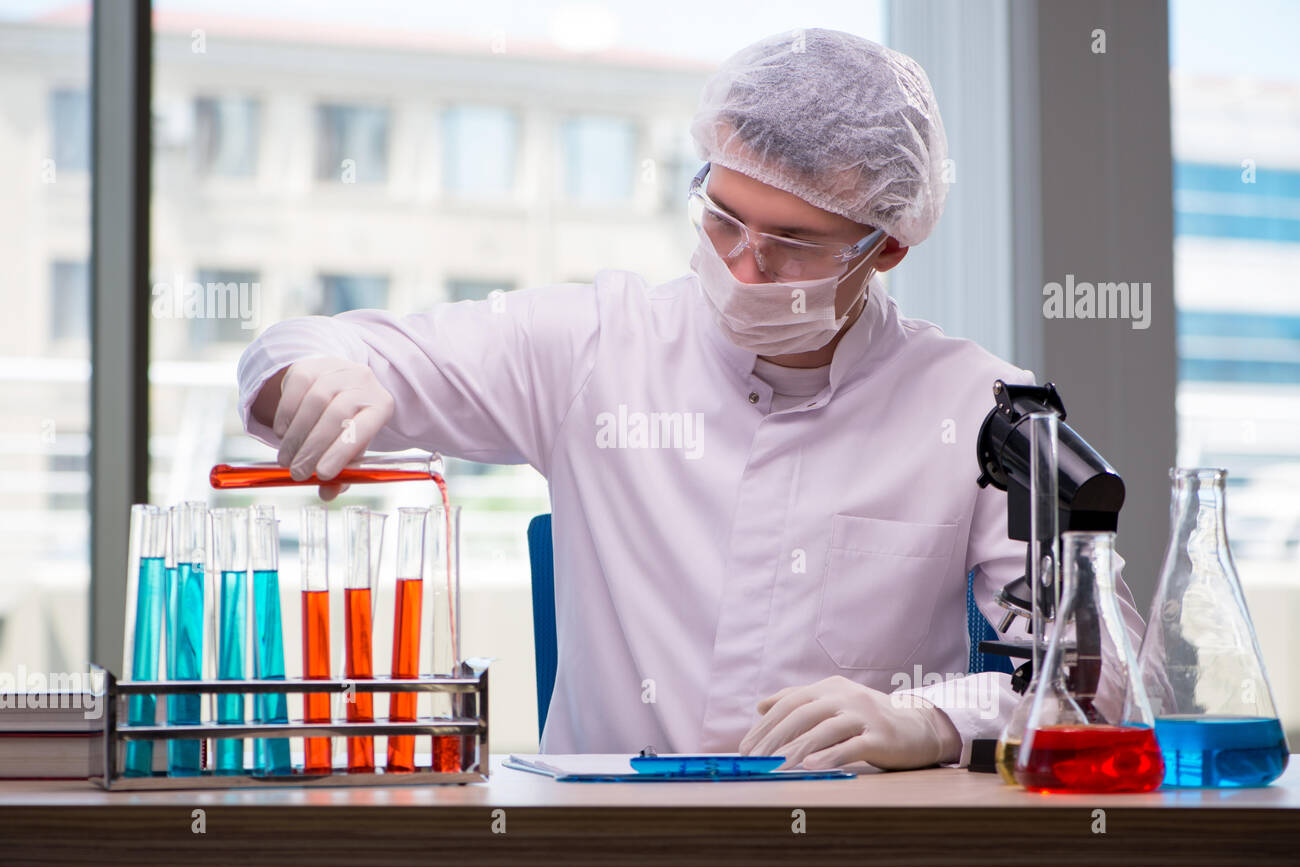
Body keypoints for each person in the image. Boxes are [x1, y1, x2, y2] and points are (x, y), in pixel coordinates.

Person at [237, 28, 1148, 772]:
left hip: (849, 847)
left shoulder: (980, 406)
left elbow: (1108, 681)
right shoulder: (593, 347)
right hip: (605, 851)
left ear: (887, 248)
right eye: (722, 219)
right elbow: (307, 345)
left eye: (792, 243)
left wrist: (933, 719)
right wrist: (322, 373)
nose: (744, 266)